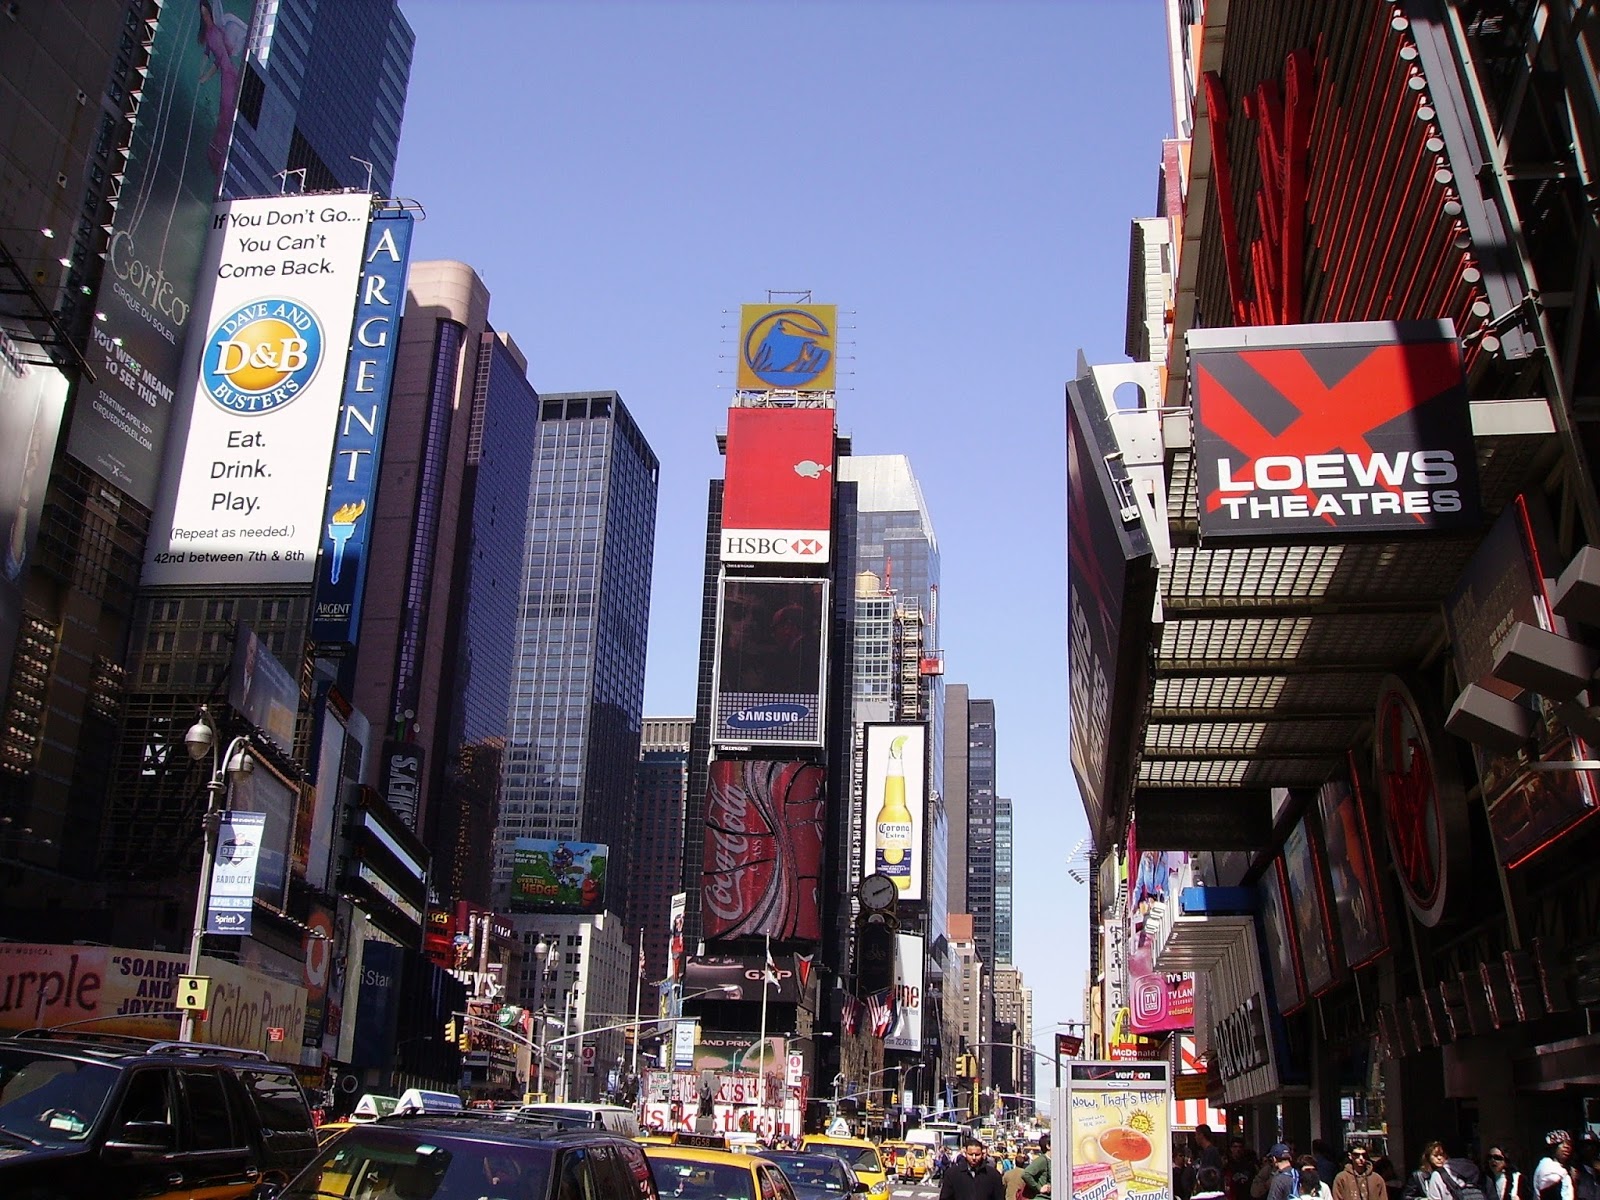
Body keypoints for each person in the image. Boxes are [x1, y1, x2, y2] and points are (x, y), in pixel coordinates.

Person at [939, 1139, 1006, 1200]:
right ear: (965, 1153)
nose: (974, 1158)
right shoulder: (952, 1174)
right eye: (970, 1154)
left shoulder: (993, 1175)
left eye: (977, 1155)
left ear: (982, 1154)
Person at [1534, 1132, 1575, 1200]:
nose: (1566, 1146)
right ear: (1553, 1148)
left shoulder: (1564, 1169)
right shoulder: (1548, 1167)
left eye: (1568, 1143)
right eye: (1561, 1143)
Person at [1021, 1133, 1052, 1198]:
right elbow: (1026, 1174)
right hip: (1043, 1197)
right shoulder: (1042, 1160)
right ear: (1048, 1146)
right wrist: (1039, 1188)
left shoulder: (1052, 1160)